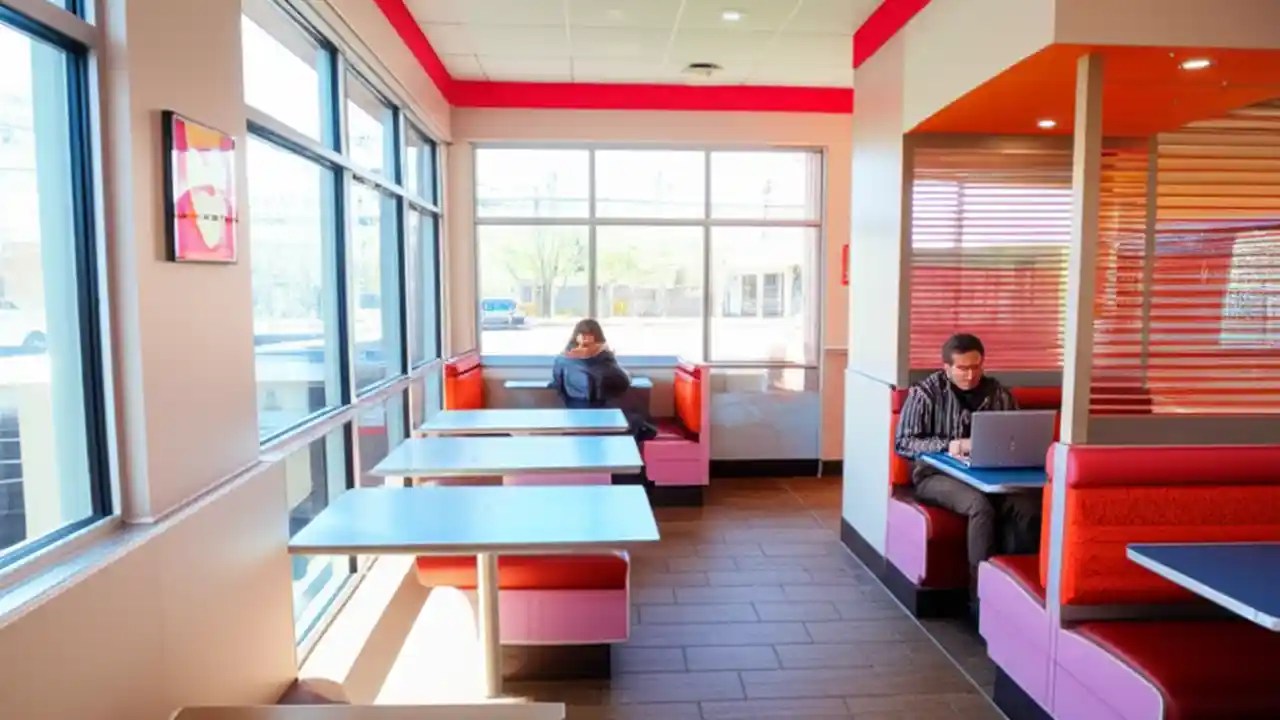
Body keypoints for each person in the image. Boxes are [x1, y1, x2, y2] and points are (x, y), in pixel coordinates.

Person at [894, 333, 1042, 586]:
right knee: (979, 507)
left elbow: (1016, 434)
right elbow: (904, 442)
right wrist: (949, 445)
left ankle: (1014, 586)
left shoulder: (998, 394)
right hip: (935, 475)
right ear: (947, 368)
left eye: (976, 367)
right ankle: (980, 592)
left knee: (1027, 506)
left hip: (989, 473)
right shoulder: (925, 394)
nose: (970, 375)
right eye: (962, 368)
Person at [550, 320, 657, 484]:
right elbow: (622, 383)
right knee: (639, 422)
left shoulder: (561, 359)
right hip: (602, 415)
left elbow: (557, 385)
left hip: (574, 415)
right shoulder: (602, 359)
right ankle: (631, 478)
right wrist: (608, 356)